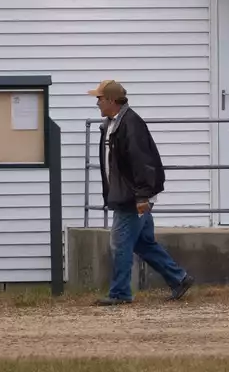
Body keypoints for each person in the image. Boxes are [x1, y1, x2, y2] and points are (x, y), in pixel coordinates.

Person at [89, 79, 192, 306]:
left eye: (99, 98)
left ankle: (120, 293)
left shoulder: (130, 125)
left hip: (131, 197)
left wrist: (142, 197)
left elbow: (142, 162)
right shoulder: (114, 123)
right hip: (128, 194)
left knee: (121, 243)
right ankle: (179, 278)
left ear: (112, 101)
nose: (97, 103)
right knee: (143, 243)